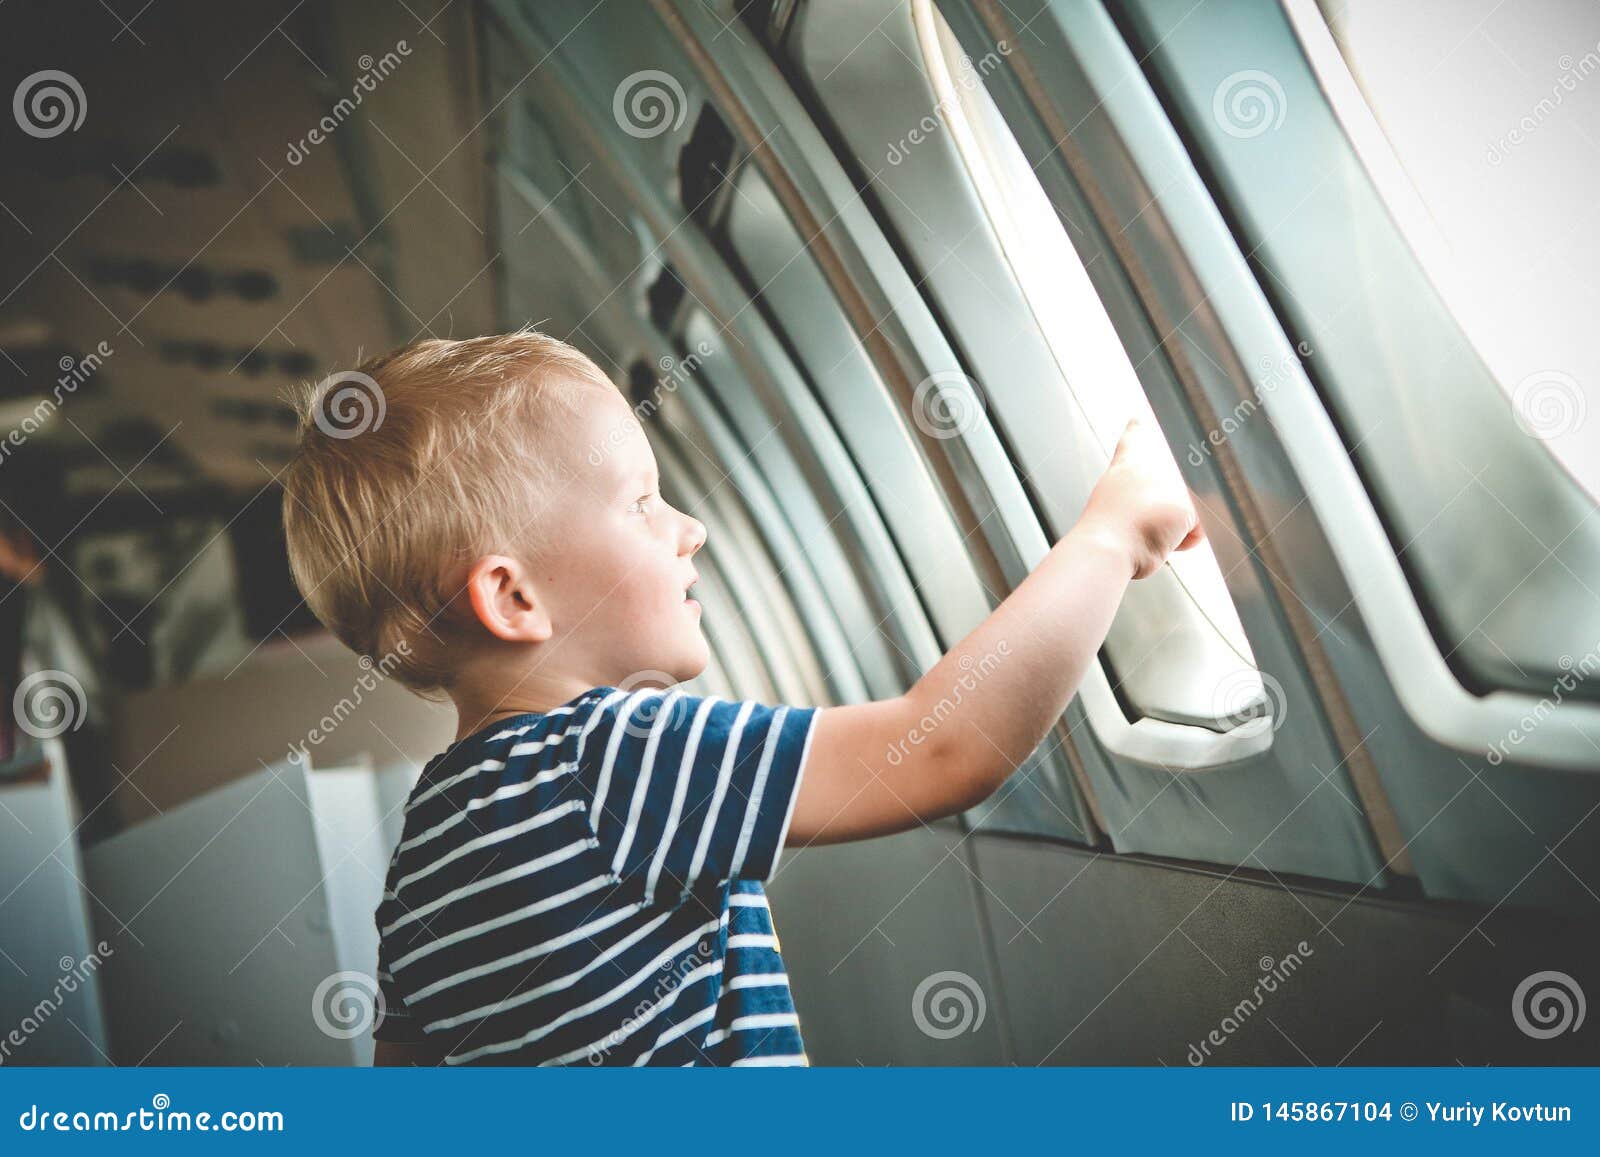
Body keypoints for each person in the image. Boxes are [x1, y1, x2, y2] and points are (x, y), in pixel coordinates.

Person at [280, 328, 1203, 1066]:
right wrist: (1109, 537)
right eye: (642, 502)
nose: (693, 527)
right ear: (513, 597)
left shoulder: (429, 837)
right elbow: (943, 746)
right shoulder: (614, 755)